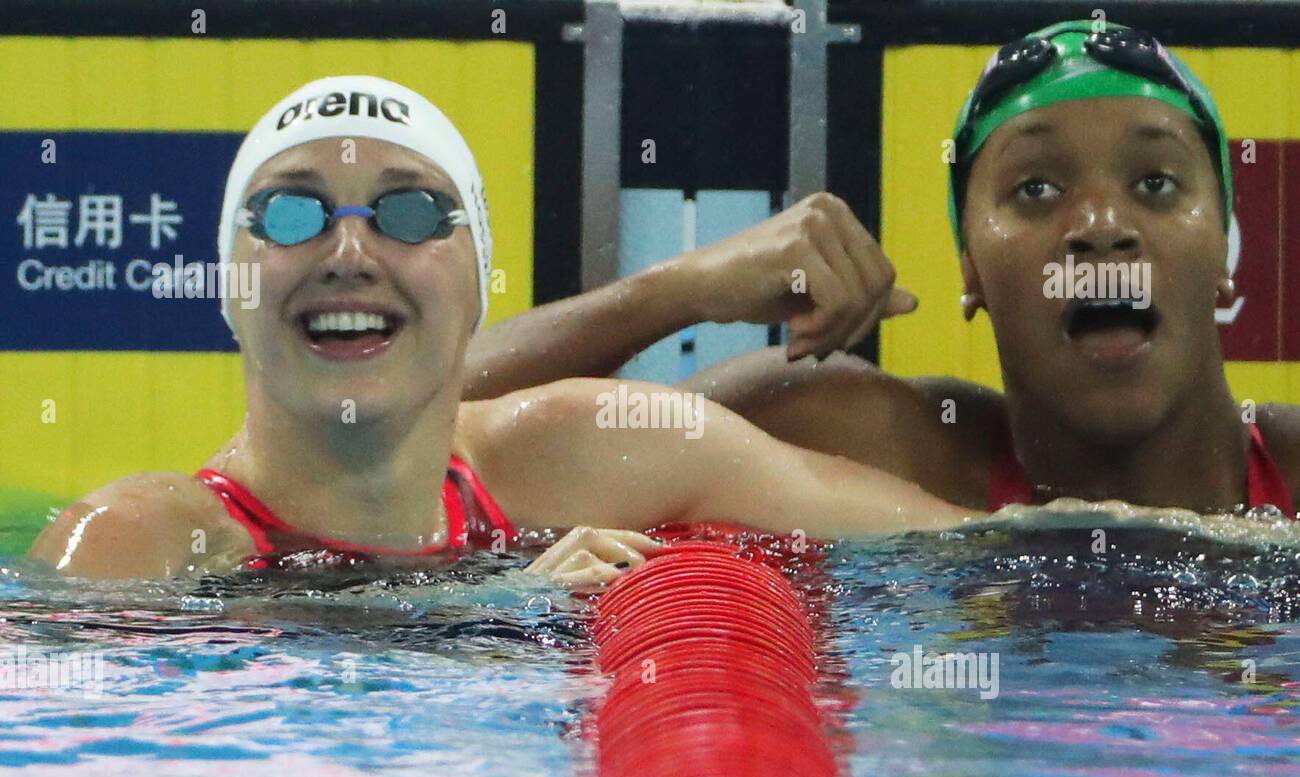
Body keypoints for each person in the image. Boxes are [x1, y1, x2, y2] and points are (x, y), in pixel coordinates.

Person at [27, 75, 971, 584]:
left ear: (480, 287)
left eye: (408, 215)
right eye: (288, 215)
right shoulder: (134, 544)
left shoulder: (580, 449)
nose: (348, 250)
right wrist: (492, 606)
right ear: (230, 285)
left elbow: (961, 546)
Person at [464, 20, 1300, 518]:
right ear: (969, 265)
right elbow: (422, 452)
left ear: (1226, 246)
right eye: (1036, 188)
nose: (1101, 228)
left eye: (1154, 184)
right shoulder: (873, 442)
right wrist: (675, 291)